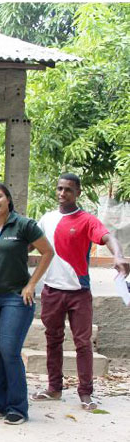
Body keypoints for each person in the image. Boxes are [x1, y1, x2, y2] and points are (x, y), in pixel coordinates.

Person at [30, 173, 129, 411]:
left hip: (79, 292)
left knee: (83, 343)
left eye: (68, 190)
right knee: (53, 340)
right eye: (60, 188)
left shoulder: (87, 220)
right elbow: (29, 243)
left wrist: (117, 255)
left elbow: (108, 237)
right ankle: (54, 388)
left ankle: (86, 393)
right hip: (52, 291)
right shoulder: (46, 219)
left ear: (78, 193)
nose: (62, 193)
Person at [0, 182, 53, 425]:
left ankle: (18, 406)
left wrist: (31, 284)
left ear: (8, 199)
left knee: (9, 350)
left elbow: (48, 252)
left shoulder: (24, 224)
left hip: (16, 298)